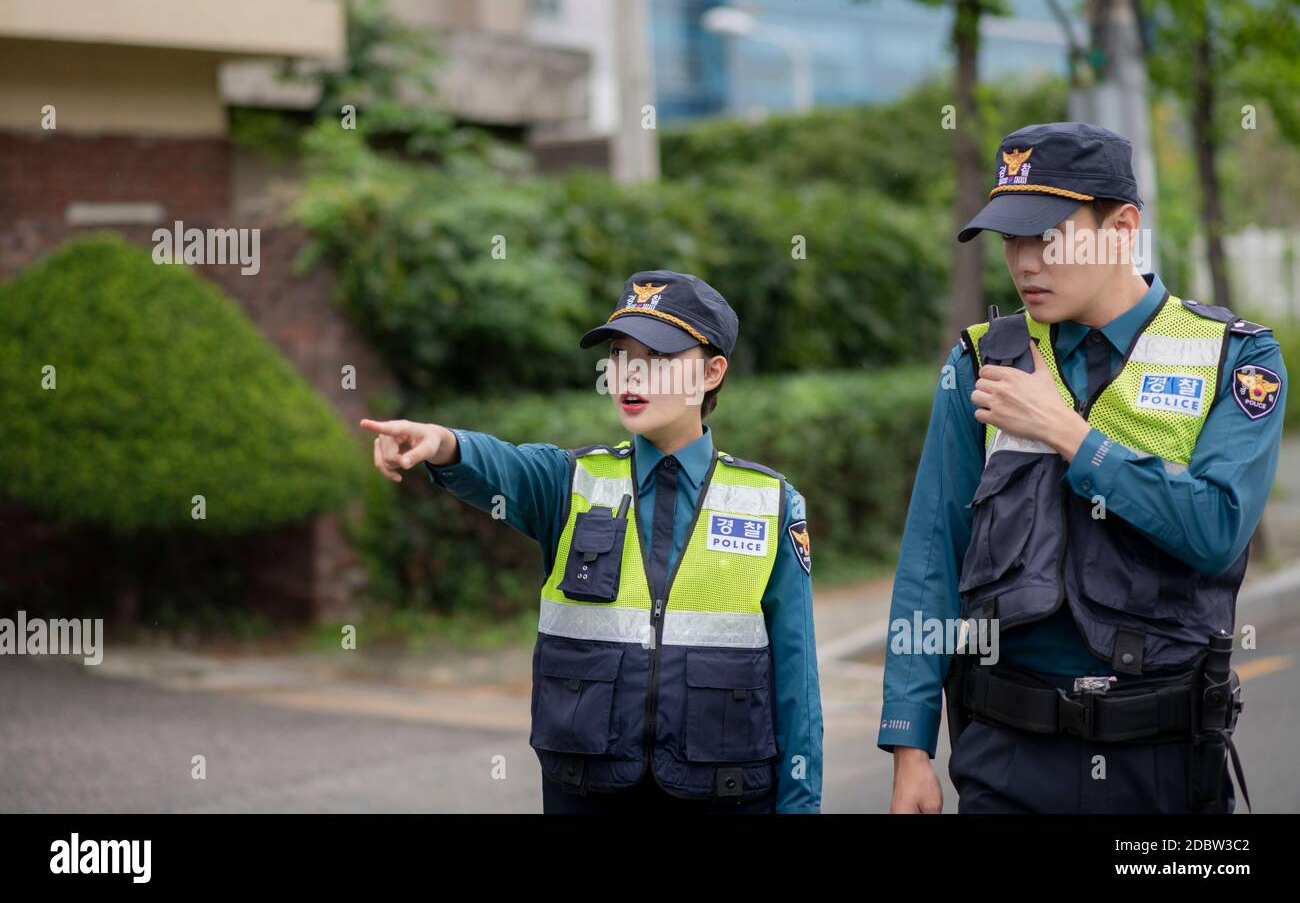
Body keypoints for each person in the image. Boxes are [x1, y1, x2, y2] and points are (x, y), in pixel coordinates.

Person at [880, 122, 1287, 813]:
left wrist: (1070, 435)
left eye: (1049, 237)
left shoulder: (1235, 358)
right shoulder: (982, 361)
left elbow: (1217, 527)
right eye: (1012, 239)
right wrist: (910, 747)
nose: (1026, 263)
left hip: (1161, 760)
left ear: (1122, 225)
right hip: (1005, 754)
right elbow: (932, 554)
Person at [362, 270, 823, 813]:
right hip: (587, 792)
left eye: (658, 358)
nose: (631, 374)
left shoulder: (768, 502)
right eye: (622, 356)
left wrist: (801, 806)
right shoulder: (571, 482)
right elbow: (504, 467)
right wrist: (442, 443)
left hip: (726, 795)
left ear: (711, 373)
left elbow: (797, 681)